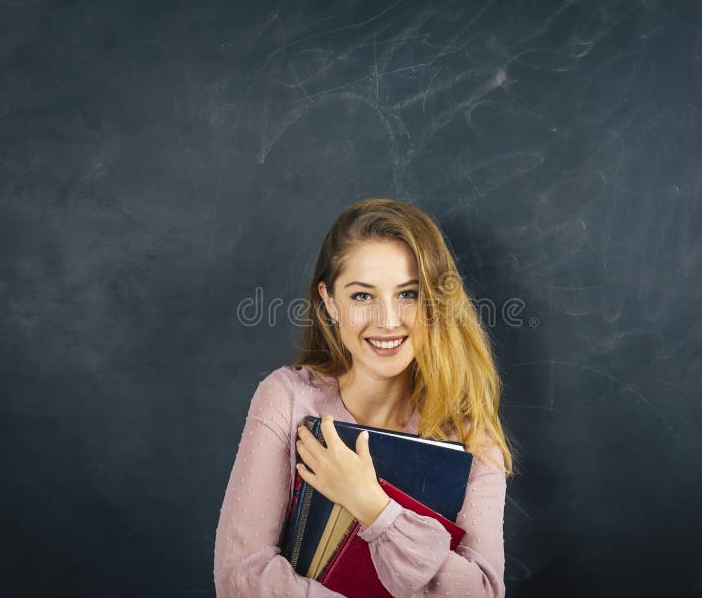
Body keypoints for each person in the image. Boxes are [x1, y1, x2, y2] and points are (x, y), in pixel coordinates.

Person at [214, 198, 514, 597]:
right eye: (362, 296)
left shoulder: (472, 438)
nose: (387, 320)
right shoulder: (286, 399)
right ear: (330, 302)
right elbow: (241, 578)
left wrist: (375, 509)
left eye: (408, 294)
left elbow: (482, 592)